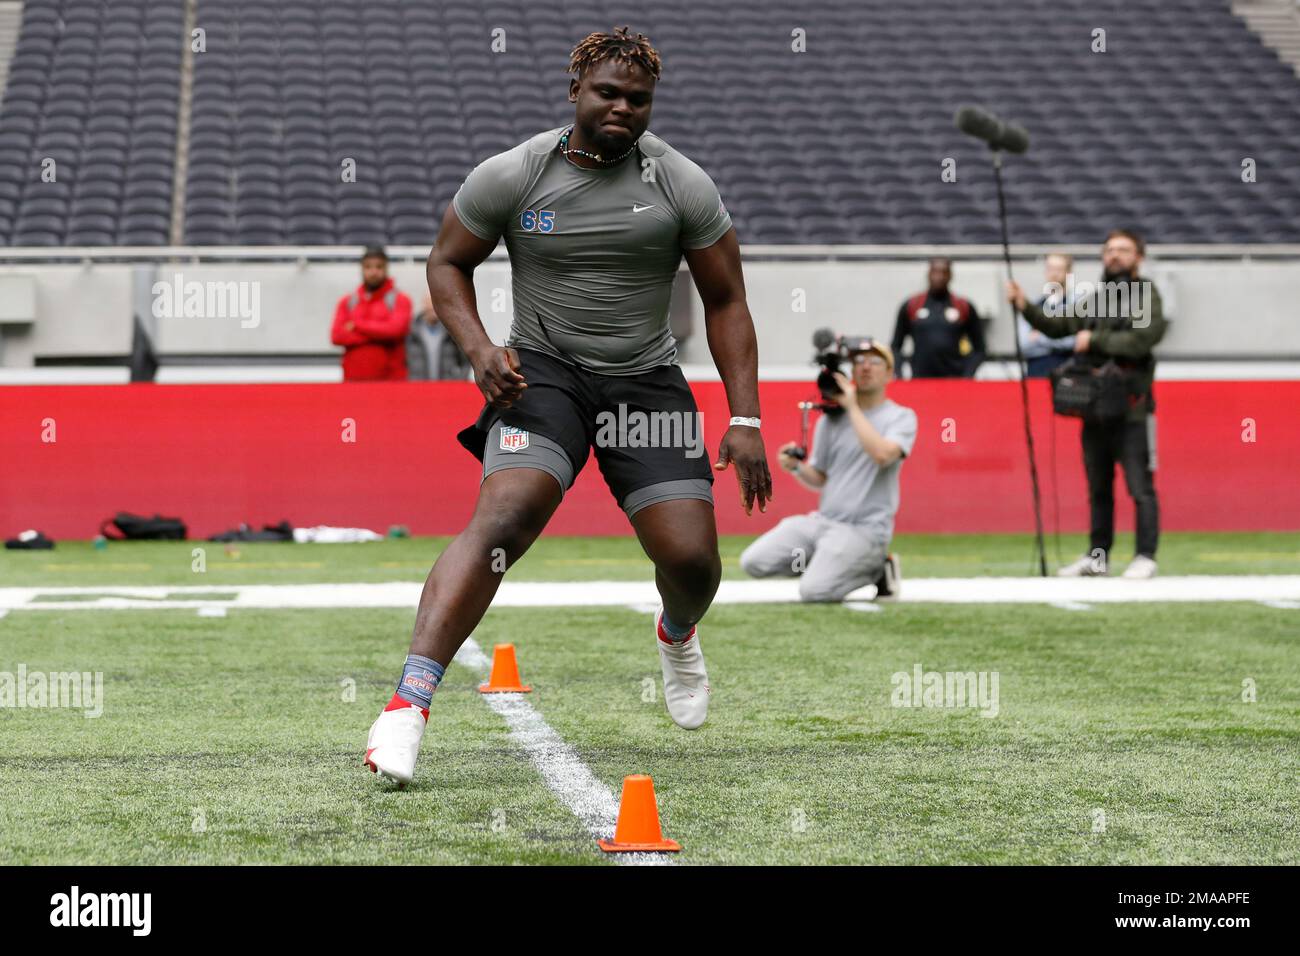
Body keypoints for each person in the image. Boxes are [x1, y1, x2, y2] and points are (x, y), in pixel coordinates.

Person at [364, 27, 772, 787]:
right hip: (542, 375)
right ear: (575, 90)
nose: (622, 107)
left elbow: (727, 301)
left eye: (638, 99)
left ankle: (676, 633)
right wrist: (480, 349)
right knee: (504, 520)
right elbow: (447, 261)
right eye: (608, 93)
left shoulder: (681, 182)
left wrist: (744, 418)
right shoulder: (515, 172)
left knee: (691, 560)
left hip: (646, 381)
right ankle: (407, 705)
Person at [1007, 228, 1167, 579]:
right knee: (1098, 487)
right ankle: (1098, 557)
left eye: (1123, 250)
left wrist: (1093, 338)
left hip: (1133, 407)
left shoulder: (1143, 294)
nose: (1114, 256)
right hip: (1096, 406)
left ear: (1138, 257)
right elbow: (1058, 326)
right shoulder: (1098, 297)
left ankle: (1145, 555)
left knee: (1140, 485)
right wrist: (1025, 307)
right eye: (1109, 250)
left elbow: (1142, 340)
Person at [740, 340, 916, 602]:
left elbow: (882, 455)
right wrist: (797, 467)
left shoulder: (901, 417)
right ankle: (833, 562)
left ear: (890, 373)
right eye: (859, 362)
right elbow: (820, 478)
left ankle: (878, 566)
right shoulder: (831, 420)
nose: (866, 367)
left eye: (875, 362)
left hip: (865, 529)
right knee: (754, 561)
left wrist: (852, 406)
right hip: (824, 522)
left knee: (814, 591)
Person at [890, 257, 986, 378]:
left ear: (951, 276)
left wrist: (968, 374)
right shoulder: (912, 305)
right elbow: (896, 346)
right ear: (928, 274)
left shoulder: (964, 306)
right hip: (920, 380)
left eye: (944, 272)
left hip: (954, 380)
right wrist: (899, 372)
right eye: (935, 272)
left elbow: (980, 349)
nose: (939, 277)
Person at [330, 246, 412, 381]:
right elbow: (336, 336)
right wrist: (380, 333)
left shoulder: (400, 300)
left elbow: (396, 330)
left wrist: (357, 325)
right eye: (368, 267)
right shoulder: (348, 302)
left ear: (386, 269)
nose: (373, 272)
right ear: (362, 269)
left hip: (391, 383)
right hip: (353, 383)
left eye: (379, 267)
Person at [1018, 252, 1077, 378]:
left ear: (1069, 273)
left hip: (1069, 375)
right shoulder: (1033, 306)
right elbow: (1024, 345)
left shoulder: (1077, 305)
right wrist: (1059, 342)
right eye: (1050, 268)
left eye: (1059, 269)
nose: (1054, 273)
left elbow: (1074, 341)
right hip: (1036, 375)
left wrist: (1040, 337)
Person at [407, 292, 472, 380]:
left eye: (434, 306)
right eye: (429, 306)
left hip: (447, 388)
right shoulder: (411, 332)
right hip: (419, 387)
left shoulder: (452, 331)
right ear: (424, 306)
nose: (432, 310)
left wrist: (460, 380)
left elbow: (465, 361)